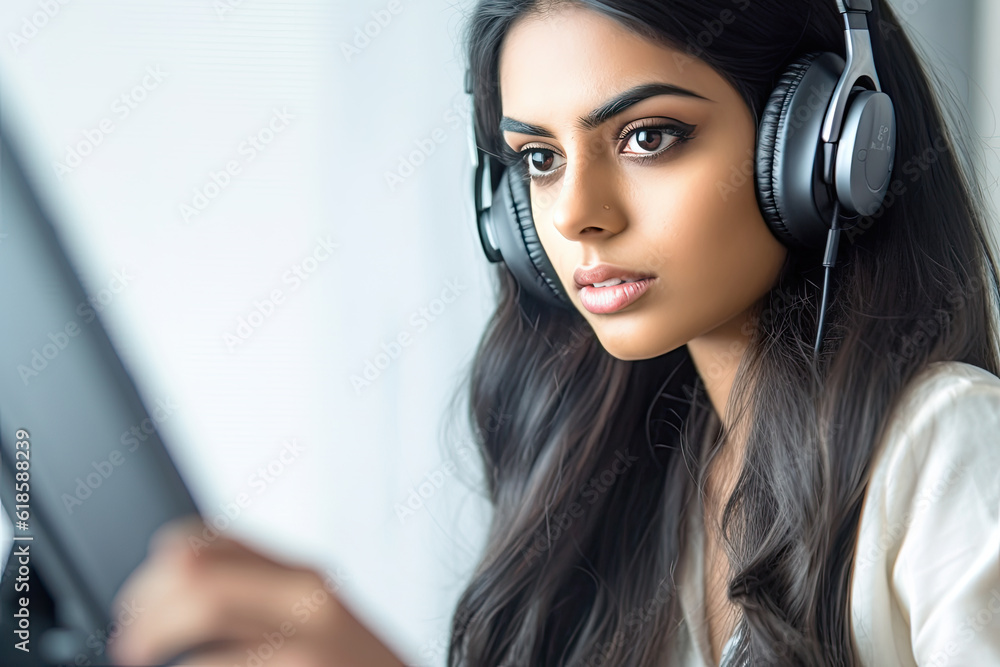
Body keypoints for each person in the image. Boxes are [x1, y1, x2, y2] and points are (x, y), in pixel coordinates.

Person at [107, 1, 1000, 666]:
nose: (575, 214)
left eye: (649, 136)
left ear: (824, 149)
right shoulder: (639, 476)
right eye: (539, 158)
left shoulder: (950, 445)